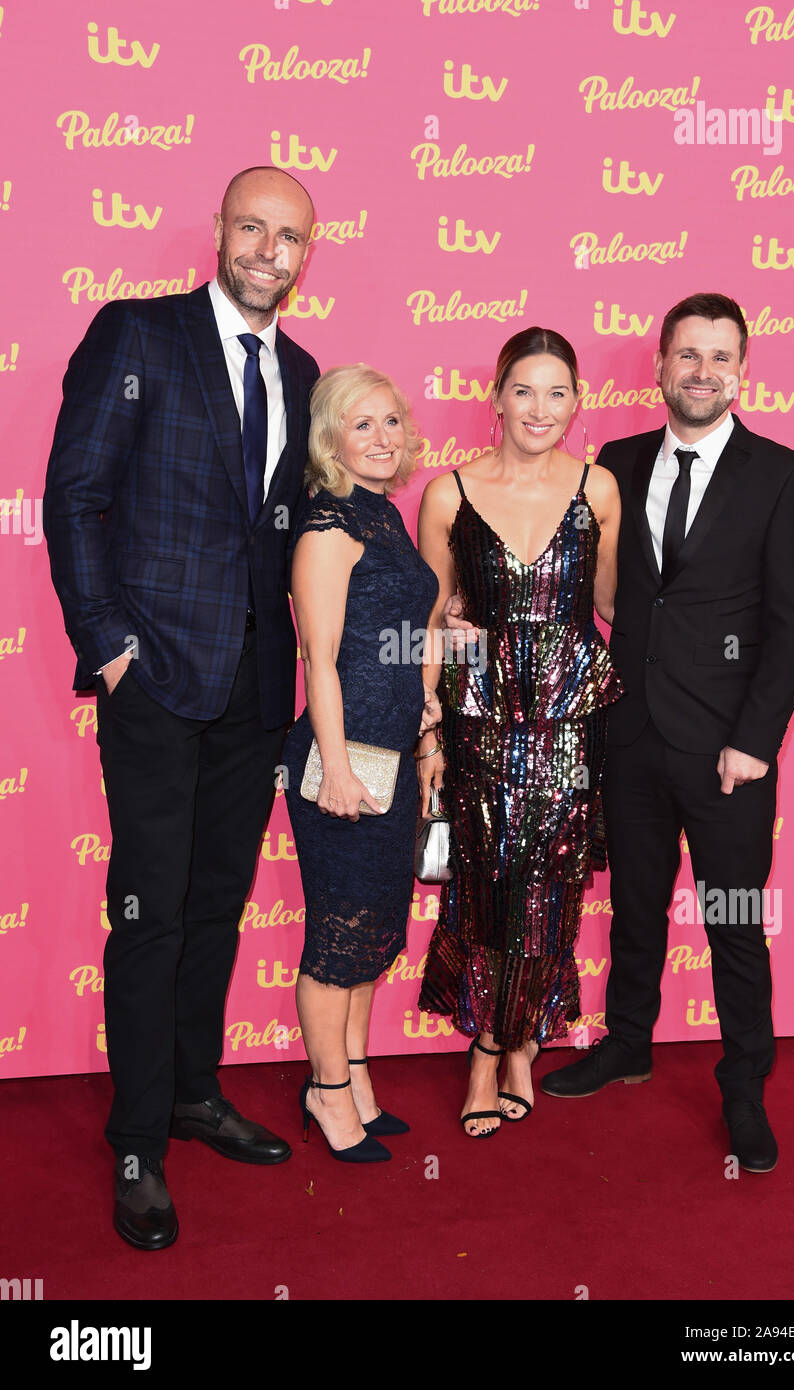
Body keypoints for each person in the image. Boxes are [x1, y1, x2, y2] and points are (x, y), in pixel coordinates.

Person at [44, 167, 320, 1250]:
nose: (267, 249)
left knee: (215, 903)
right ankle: (136, 1140)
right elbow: (76, 495)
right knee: (149, 912)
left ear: (307, 252)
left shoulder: (300, 370)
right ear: (217, 232)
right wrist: (109, 646)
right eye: (251, 227)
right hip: (155, 680)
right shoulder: (139, 334)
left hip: (254, 694)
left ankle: (196, 1093)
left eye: (287, 236)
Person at [540, 293, 794, 1174]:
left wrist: (755, 739)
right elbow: (601, 589)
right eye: (687, 355)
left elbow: (793, 621)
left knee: (733, 921)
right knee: (633, 908)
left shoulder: (782, 473)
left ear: (743, 370)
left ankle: (745, 1086)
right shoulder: (613, 463)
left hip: (728, 751)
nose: (703, 372)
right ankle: (628, 1042)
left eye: (720, 357)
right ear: (659, 366)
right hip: (630, 737)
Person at [415, 327, 623, 1137]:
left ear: (577, 403)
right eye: (525, 390)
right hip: (479, 722)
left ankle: (522, 1044)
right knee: (484, 884)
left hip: (573, 722)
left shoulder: (597, 489)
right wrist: (428, 731)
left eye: (558, 392)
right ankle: (484, 1046)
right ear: (496, 397)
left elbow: (607, 603)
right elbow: (432, 619)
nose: (541, 409)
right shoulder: (447, 494)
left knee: (551, 890)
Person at [283, 365, 440, 1162]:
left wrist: (428, 709)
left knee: (374, 933)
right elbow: (322, 663)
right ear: (330, 439)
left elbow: (393, 637)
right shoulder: (328, 527)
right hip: (343, 759)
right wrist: (338, 769)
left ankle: (357, 1077)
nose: (382, 439)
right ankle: (327, 1092)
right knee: (337, 938)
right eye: (362, 425)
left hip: (392, 754)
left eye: (391, 423)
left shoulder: (385, 517)